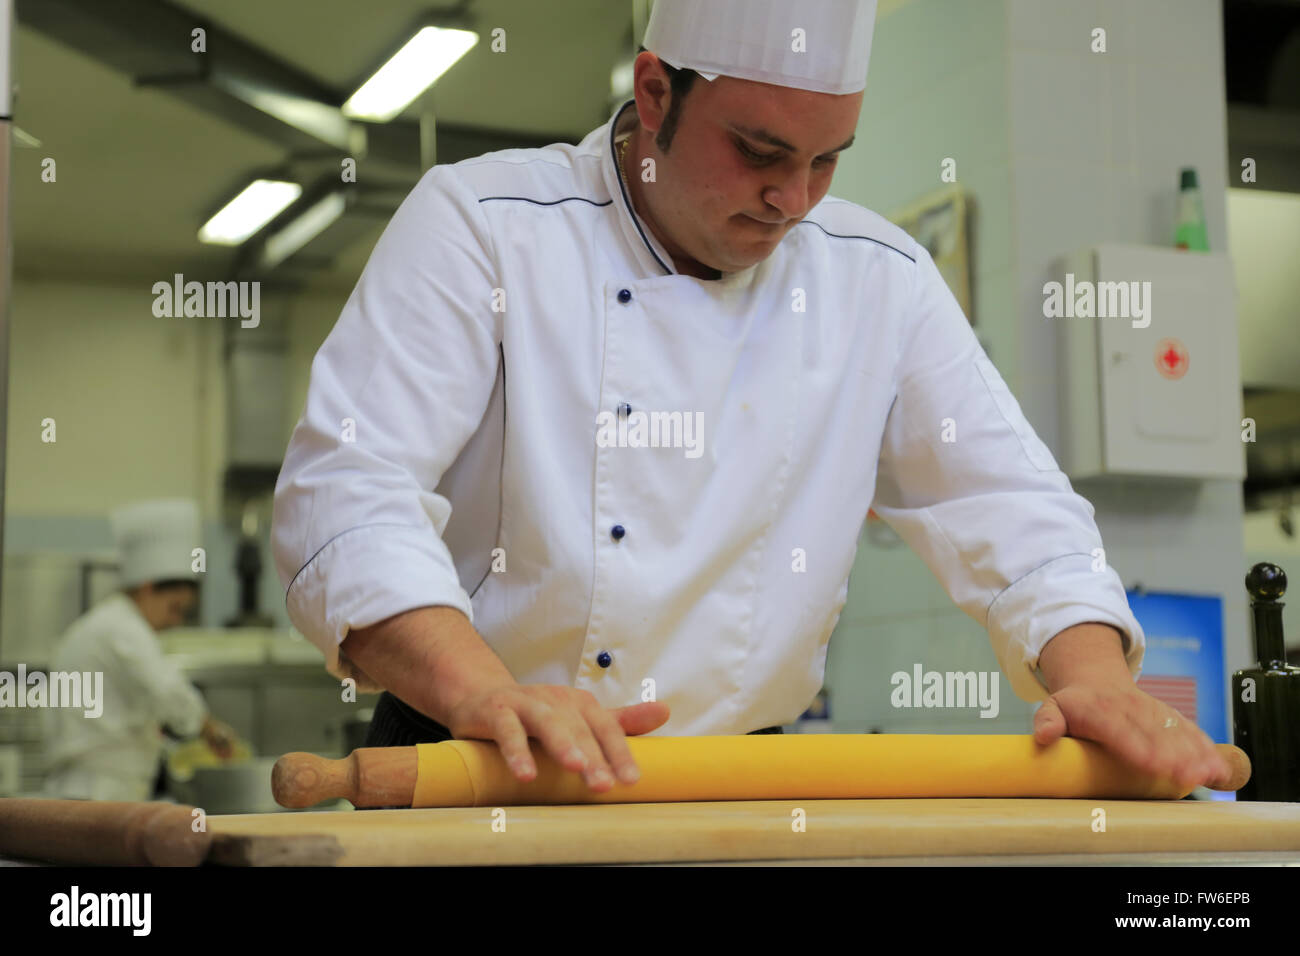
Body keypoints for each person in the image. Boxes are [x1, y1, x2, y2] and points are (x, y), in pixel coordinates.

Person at [271, 0, 1233, 795]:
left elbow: (1016, 512)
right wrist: (483, 691)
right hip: (473, 766)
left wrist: (1096, 680)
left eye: (828, 161)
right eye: (760, 152)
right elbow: (350, 493)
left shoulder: (878, 279)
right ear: (656, 93)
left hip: (736, 791)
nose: (794, 200)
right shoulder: (487, 227)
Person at [43, 499, 237, 802]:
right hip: (101, 794)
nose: (174, 621)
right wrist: (208, 728)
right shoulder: (122, 628)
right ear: (147, 588)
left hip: (89, 789)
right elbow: (167, 690)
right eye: (174, 608)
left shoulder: (106, 623)